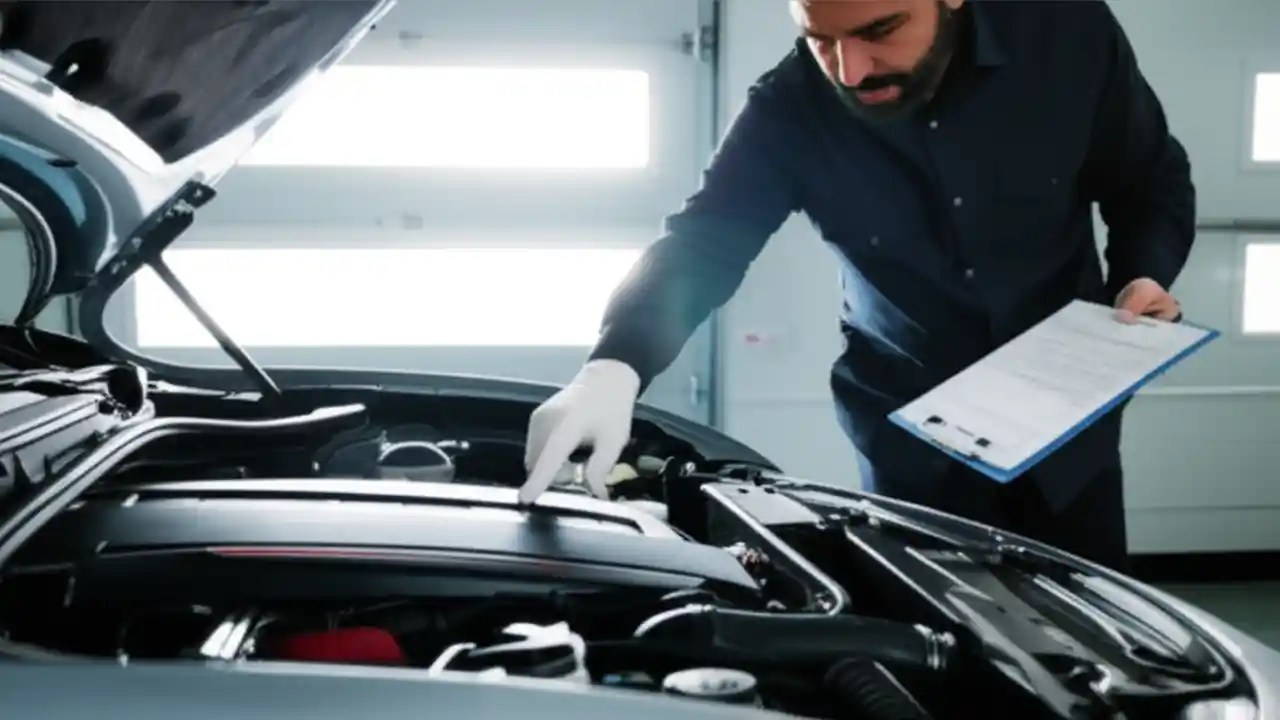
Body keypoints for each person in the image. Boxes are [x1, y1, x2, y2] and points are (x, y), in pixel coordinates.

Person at [518, 0, 1195, 573]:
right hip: (912, 433)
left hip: (1067, 419)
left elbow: (1148, 180)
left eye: (878, 31)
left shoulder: (1067, 35)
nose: (851, 71)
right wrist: (613, 366)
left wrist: (1143, 273)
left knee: (1094, 626)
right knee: (940, 645)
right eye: (819, 40)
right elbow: (706, 242)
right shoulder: (791, 109)